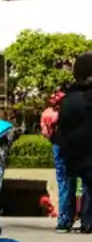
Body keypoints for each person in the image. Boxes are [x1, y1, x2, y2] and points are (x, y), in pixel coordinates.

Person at [53, 52, 92, 234]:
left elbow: (62, 124)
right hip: (87, 147)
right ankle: (87, 220)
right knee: (88, 185)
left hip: (68, 146)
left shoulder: (68, 99)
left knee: (66, 183)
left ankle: (65, 220)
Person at [42, 89, 72, 231]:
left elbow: (46, 133)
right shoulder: (71, 110)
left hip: (57, 144)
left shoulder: (47, 113)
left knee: (63, 182)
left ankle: (64, 219)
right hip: (72, 145)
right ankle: (75, 217)